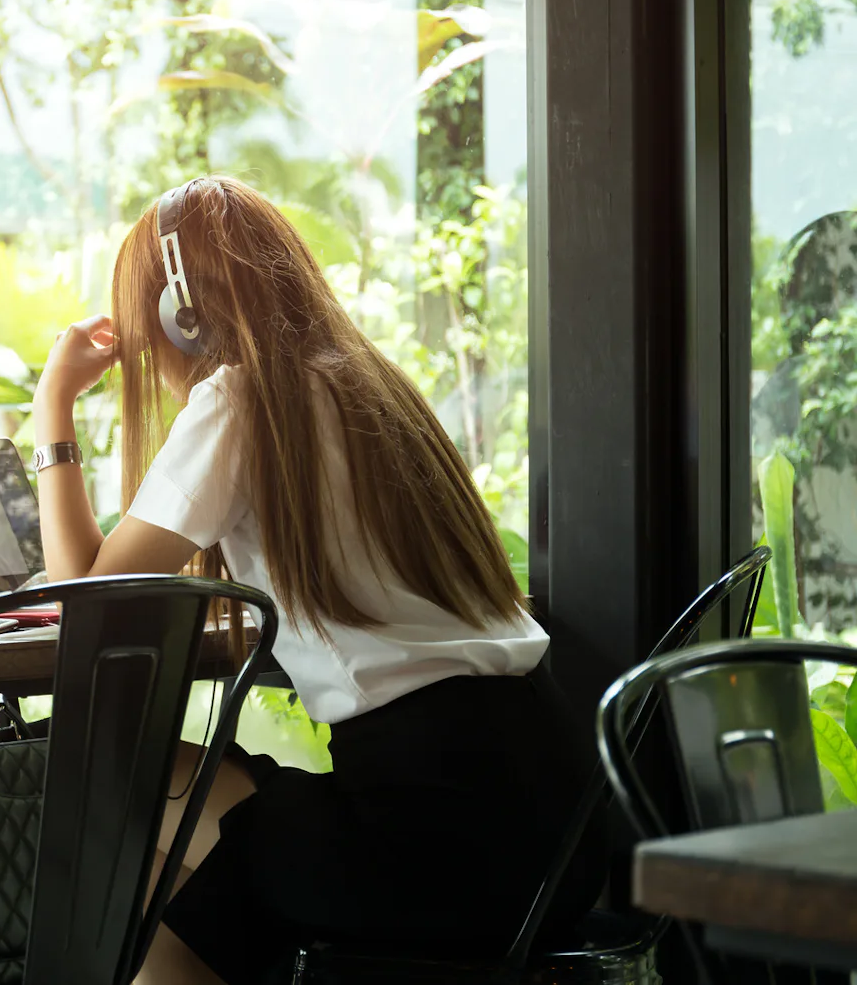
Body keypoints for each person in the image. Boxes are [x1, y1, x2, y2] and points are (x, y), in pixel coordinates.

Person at [31, 176, 603, 984]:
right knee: (160, 872)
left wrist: (53, 406)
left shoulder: (241, 400)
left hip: (435, 839)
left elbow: (86, 600)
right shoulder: (374, 383)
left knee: (114, 801)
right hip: (556, 822)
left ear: (181, 314)